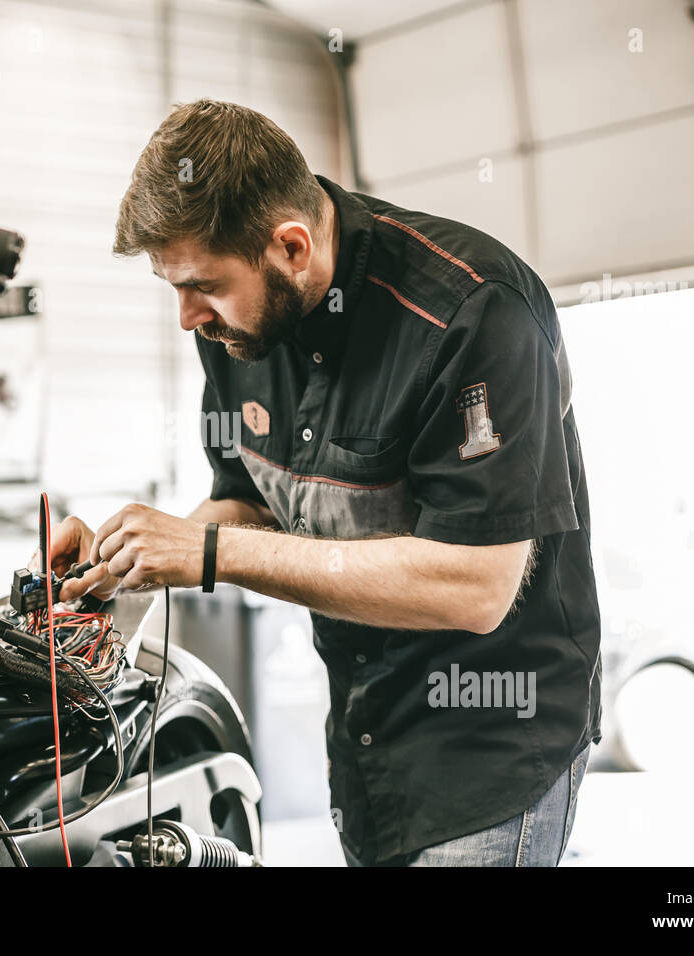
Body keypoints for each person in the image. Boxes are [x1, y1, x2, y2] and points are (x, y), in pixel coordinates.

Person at [46, 99, 601, 867]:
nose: (185, 317)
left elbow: (474, 587)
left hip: (493, 750)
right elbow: (245, 504)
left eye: (203, 285)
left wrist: (205, 554)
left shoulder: (475, 312)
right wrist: (125, 568)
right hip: (363, 742)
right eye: (172, 287)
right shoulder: (239, 327)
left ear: (290, 247)